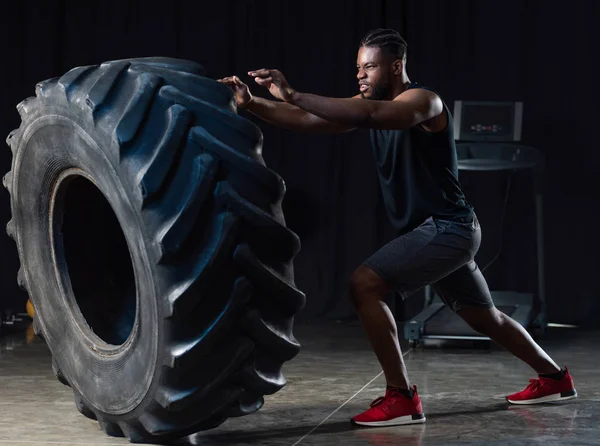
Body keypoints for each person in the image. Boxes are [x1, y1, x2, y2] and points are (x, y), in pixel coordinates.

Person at [218, 28, 577, 427]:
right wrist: (252, 104)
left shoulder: (424, 101)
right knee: (484, 317)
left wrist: (293, 92)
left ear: (396, 65)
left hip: (447, 228)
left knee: (364, 285)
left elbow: (369, 116)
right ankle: (555, 379)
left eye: (369, 67)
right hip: (438, 231)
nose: (361, 76)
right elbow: (306, 118)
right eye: (358, 68)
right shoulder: (366, 103)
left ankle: (402, 398)